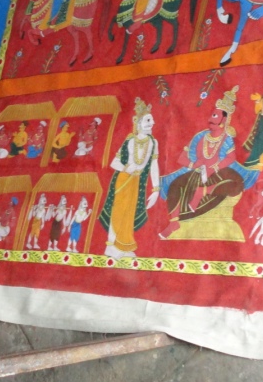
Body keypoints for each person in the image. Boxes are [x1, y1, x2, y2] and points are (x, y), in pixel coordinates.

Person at [157, 87, 246, 239]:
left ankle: (204, 191)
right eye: (212, 114)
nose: (210, 119)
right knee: (174, 185)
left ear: (223, 121)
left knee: (238, 182)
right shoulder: (200, 136)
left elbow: (230, 158)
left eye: (215, 115)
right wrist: (193, 165)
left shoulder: (227, 139)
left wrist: (217, 165)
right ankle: (173, 222)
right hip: (197, 173)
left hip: (219, 173)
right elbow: (181, 158)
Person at [98, 98, 160, 259]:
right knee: (118, 211)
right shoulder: (129, 141)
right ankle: (111, 246)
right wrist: (127, 168)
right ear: (138, 123)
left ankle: (123, 247)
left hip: (137, 182)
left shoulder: (153, 142)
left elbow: (153, 164)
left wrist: (156, 189)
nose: (152, 123)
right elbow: (114, 162)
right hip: (123, 179)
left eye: (152, 120)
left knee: (129, 213)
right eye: (148, 120)